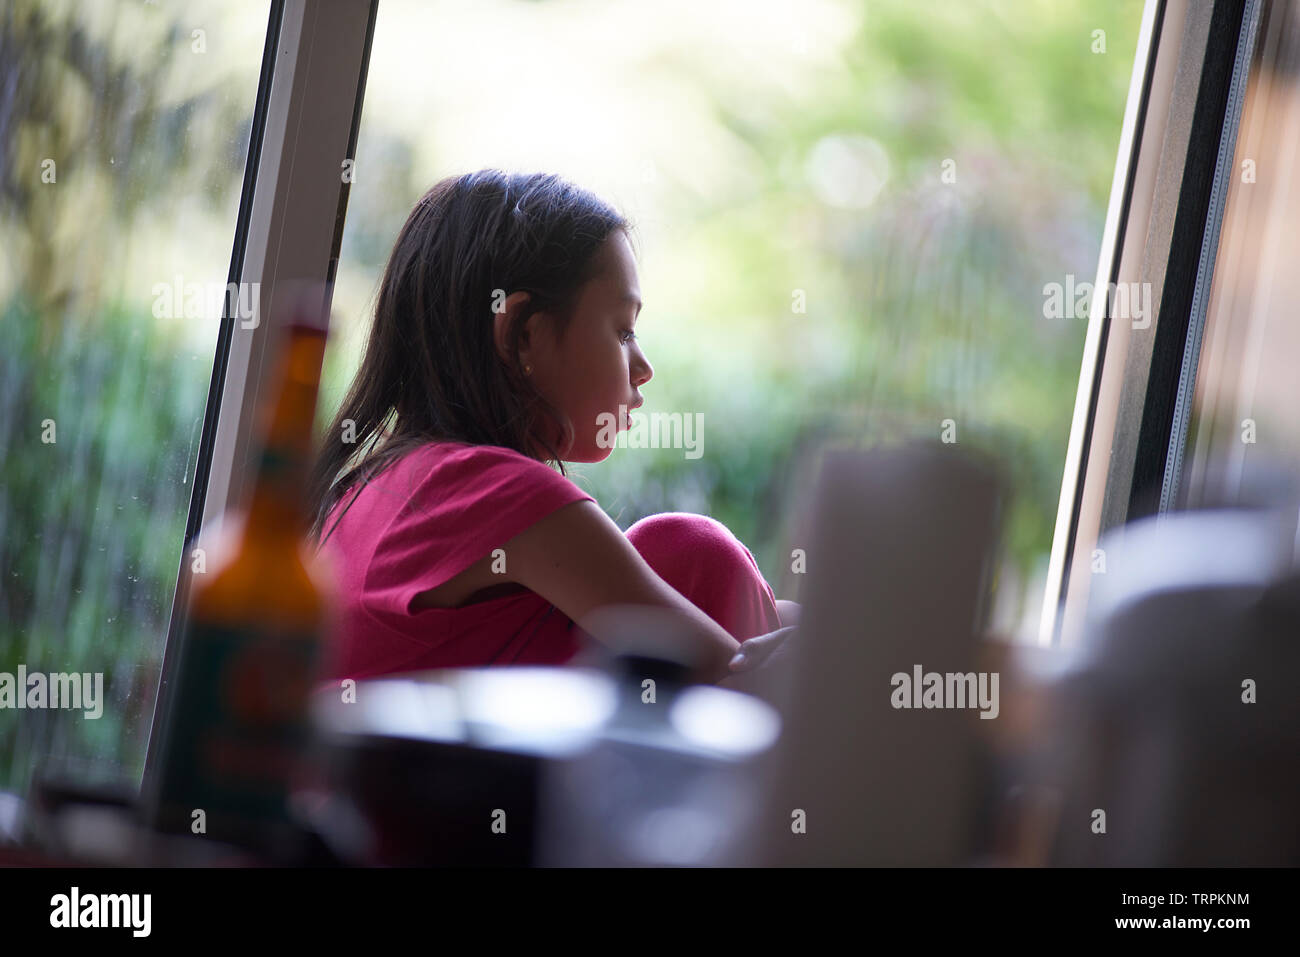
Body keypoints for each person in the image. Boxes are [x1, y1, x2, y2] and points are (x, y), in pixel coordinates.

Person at [306, 169, 797, 687]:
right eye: (623, 331)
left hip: (422, 756)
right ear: (523, 335)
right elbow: (749, 680)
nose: (644, 366)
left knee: (682, 561)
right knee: (693, 550)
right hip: (442, 767)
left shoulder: (379, 486)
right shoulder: (493, 492)